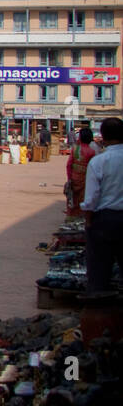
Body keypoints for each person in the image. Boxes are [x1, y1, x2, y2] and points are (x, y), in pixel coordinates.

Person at [81, 117, 123, 294]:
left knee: (99, 271)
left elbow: (91, 198)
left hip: (104, 220)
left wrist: (89, 222)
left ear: (102, 137)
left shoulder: (99, 161)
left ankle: (99, 314)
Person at [66, 126, 96, 217]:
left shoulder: (75, 149)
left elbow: (69, 165)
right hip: (86, 180)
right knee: (82, 200)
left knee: (73, 199)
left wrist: (69, 178)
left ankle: (71, 217)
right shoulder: (92, 151)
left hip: (74, 178)